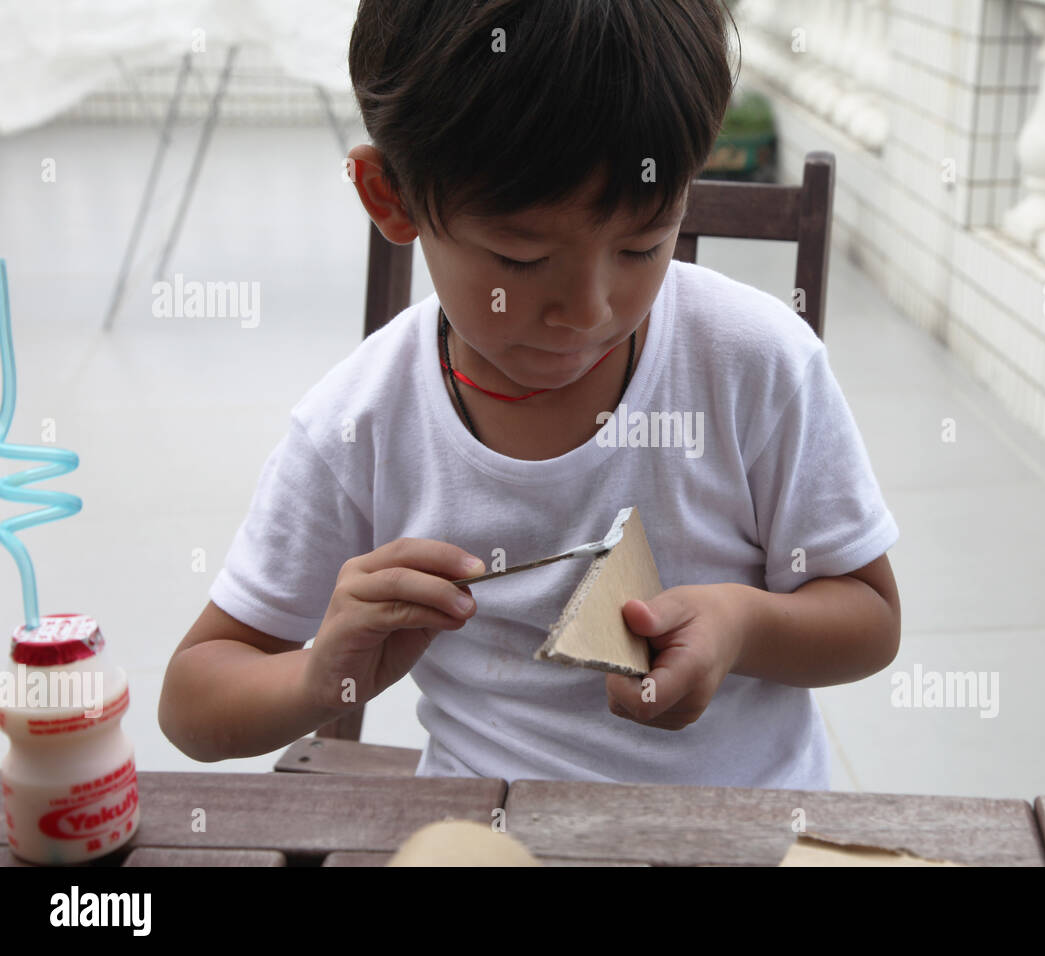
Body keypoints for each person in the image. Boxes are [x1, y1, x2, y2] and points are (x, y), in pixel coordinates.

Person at [159, 0, 901, 789]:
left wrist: (744, 626)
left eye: (642, 246)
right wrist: (318, 678)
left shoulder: (753, 363)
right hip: (488, 828)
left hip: (740, 829)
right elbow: (193, 701)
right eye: (520, 258)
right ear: (391, 198)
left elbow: (869, 617)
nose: (588, 310)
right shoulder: (362, 423)